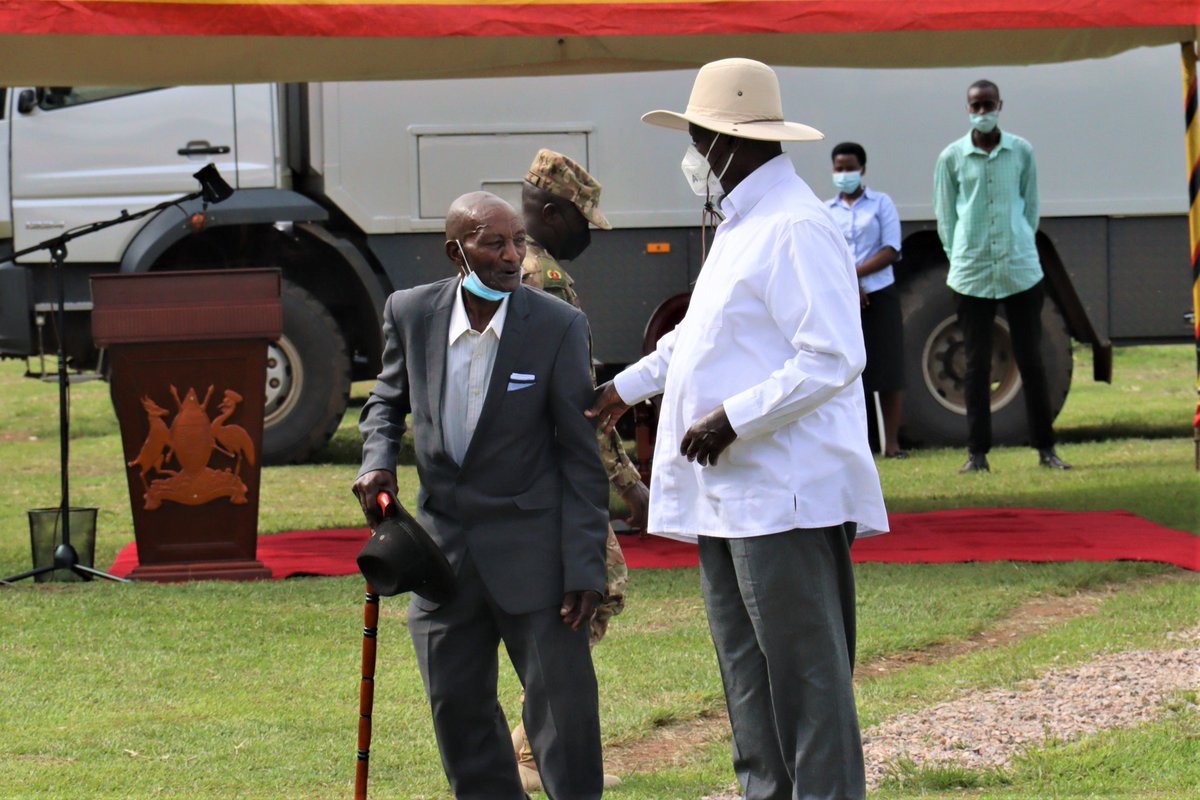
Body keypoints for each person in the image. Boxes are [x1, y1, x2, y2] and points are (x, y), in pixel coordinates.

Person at [589, 57, 889, 800]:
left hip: (782, 495)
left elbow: (835, 355)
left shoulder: (796, 225)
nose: (691, 156)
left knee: (806, 681)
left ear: (729, 141)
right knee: (746, 677)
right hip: (730, 495)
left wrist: (734, 419)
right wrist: (619, 392)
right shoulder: (742, 223)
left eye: (696, 138)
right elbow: (699, 339)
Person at [352, 190, 610, 800]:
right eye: (494, 243)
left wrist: (584, 566)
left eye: (518, 241)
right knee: (460, 719)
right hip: (440, 559)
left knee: (564, 725)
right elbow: (385, 401)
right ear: (456, 250)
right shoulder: (410, 312)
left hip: (536, 560)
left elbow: (581, 457)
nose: (512, 256)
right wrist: (377, 460)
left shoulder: (555, 325)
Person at [513, 148, 647, 791]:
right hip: (561, 474)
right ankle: (533, 746)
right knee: (592, 596)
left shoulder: (499, 264)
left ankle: (532, 743)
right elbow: (582, 407)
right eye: (579, 218)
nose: (587, 231)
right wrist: (629, 486)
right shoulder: (551, 281)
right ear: (547, 210)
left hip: (514, 473)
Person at [933, 79, 1071, 473]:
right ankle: (977, 454)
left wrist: (1018, 242)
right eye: (975, 106)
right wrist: (961, 254)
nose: (982, 112)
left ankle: (1046, 449)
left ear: (1000, 105)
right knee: (976, 364)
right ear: (967, 109)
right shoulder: (952, 158)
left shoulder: (1021, 151)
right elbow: (947, 217)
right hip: (972, 272)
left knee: (1031, 359)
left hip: (1019, 268)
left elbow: (1031, 208)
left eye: (988, 104)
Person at [826, 141, 907, 459]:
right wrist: (848, 282)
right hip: (843, 299)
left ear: (863, 170)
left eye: (850, 168)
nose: (844, 174)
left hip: (879, 293)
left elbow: (891, 249)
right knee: (848, 373)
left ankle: (892, 444)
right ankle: (858, 446)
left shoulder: (881, 203)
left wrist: (855, 275)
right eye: (839, 168)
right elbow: (825, 252)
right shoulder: (825, 209)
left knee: (888, 370)